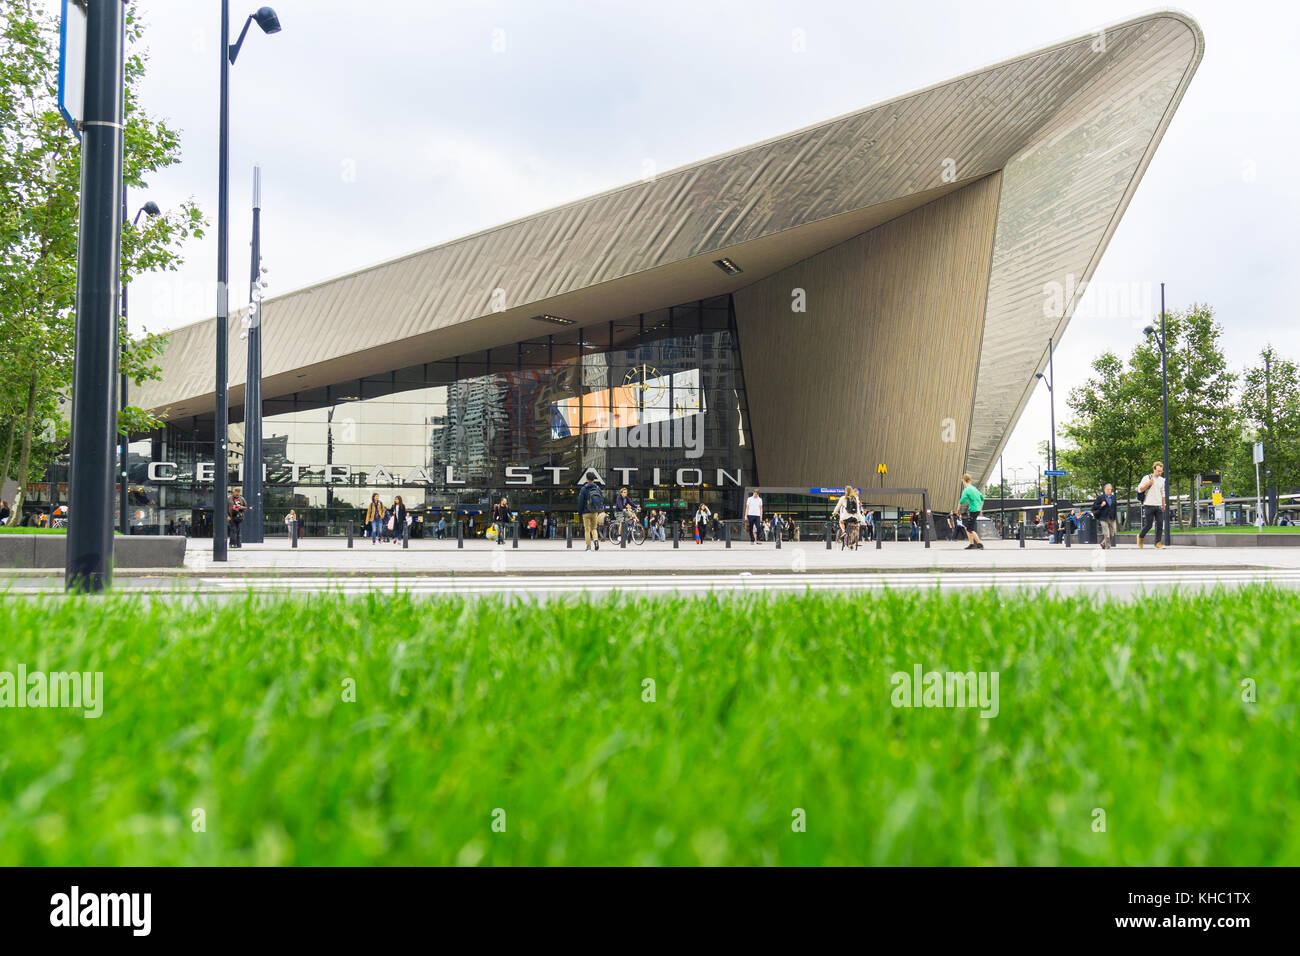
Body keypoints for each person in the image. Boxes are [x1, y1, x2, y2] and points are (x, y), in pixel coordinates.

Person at [1137, 460, 1167, 549]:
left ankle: (1158, 543)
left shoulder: (1162, 480)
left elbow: (1163, 492)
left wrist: (1164, 504)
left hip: (1158, 505)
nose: (1160, 473)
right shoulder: (1147, 478)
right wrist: (1148, 484)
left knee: (1160, 524)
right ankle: (1140, 536)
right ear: (1154, 469)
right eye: (1158, 471)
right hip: (1148, 504)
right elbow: (1140, 489)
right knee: (1149, 525)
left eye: (1161, 471)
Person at [577, 470, 604, 551]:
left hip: (586, 512)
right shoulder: (597, 488)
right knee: (594, 528)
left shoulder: (584, 489)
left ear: (586, 479)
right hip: (595, 511)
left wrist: (580, 512)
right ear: (594, 479)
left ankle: (588, 547)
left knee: (587, 529)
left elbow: (580, 502)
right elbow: (601, 499)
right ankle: (595, 540)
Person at [957, 474, 984, 550]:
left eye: (962, 481)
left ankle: (979, 543)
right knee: (967, 527)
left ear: (964, 481)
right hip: (976, 510)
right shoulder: (974, 488)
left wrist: (958, 510)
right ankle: (971, 544)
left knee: (970, 529)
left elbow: (961, 500)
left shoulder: (966, 490)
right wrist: (981, 509)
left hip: (973, 510)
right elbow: (982, 498)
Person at [1091, 483, 1118, 549]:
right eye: (1108, 489)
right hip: (1103, 517)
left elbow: (1114, 508)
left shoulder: (1113, 497)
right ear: (1104, 490)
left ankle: (1103, 543)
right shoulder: (1100, 498)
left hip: (1112, 517)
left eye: (1110, 489)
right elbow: (1094, 507)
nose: (1109, 491)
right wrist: (1101, 505)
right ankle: (1107, 546)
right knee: (1106, 533)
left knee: (1112, 533)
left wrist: (1115, 516)